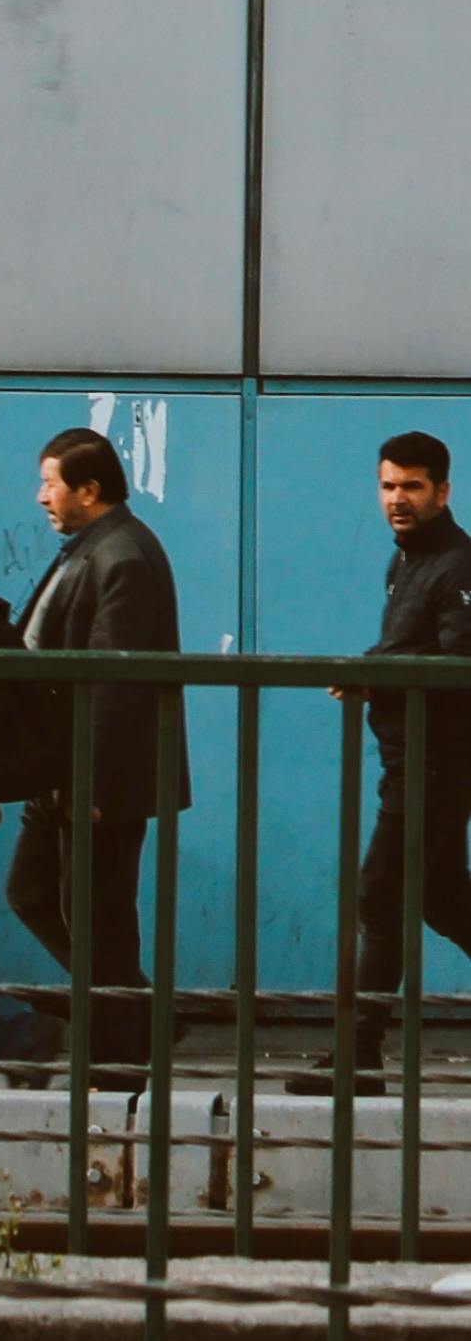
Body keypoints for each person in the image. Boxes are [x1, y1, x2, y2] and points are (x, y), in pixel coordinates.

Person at [287, 429, 471, 1099]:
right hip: (412, 757)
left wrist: (377, 675)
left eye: (412, 487)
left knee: (380, 893)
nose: (397, 499)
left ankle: (356, 1057)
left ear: (442, 491)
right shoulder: (408, 560)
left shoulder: (455, 564)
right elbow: (412, 643)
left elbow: (459, 661)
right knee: (445, 898)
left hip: (436, 761)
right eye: (388, 485)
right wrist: (374, 667)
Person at [5, 427, 187, 1075]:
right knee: (35, 893)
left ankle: (116, 1052)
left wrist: (93, 785)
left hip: (91, 777)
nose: (40, 497)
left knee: (99, 916)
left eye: (49, 484)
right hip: (61, 770)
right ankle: (139, 1014)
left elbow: (117, 684)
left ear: (88, 489)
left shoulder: (122, 556)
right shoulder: (95, 547)